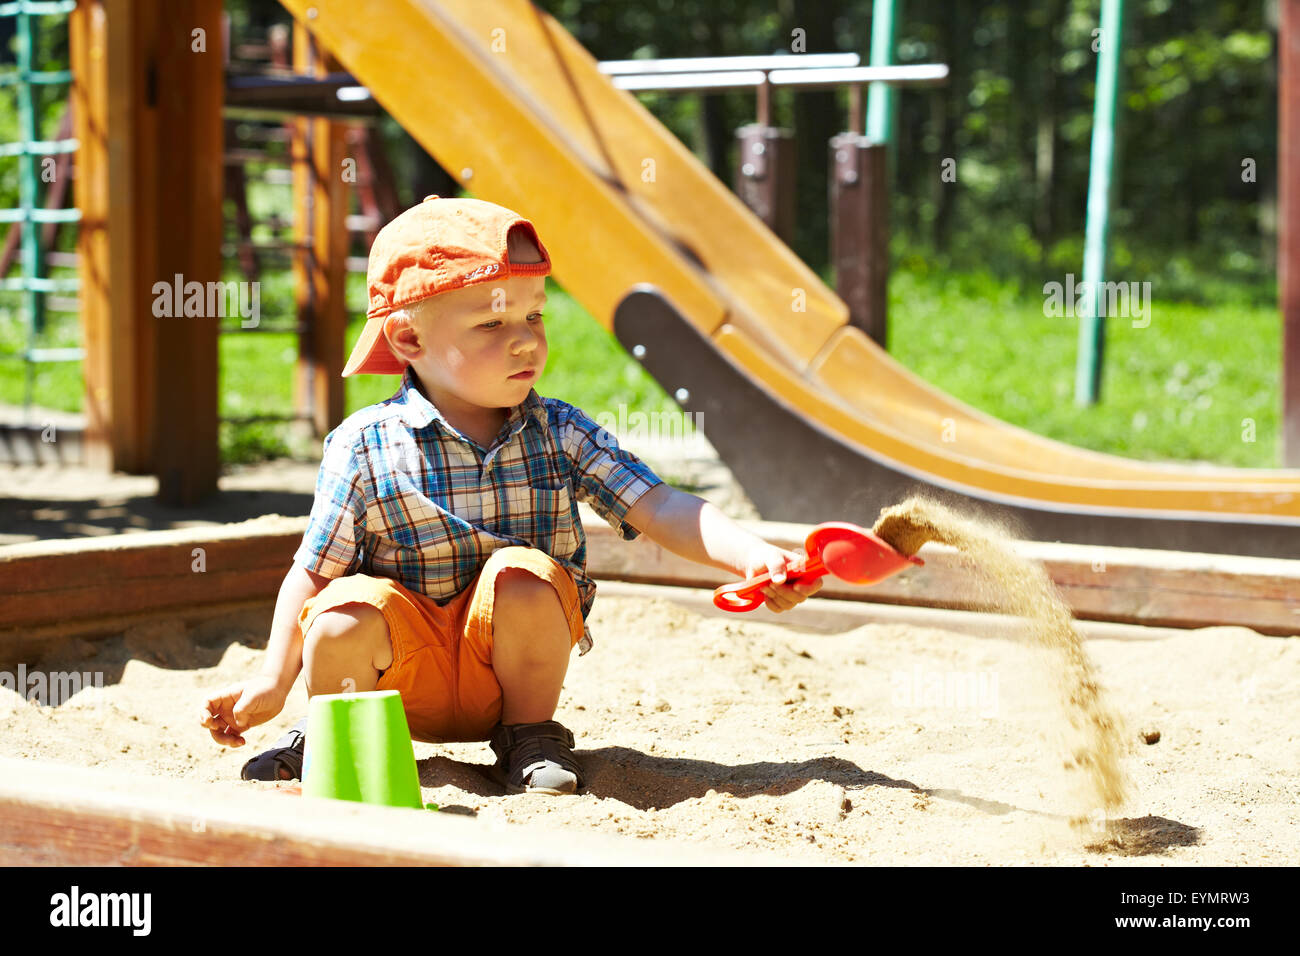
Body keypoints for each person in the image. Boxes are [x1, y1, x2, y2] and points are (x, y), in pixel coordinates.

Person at [200, 196, 822, 795]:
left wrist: (752, 556)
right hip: (394, 680)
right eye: (492, 322)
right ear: (409, 341)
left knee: (522, 575)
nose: (525, 340)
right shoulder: (363, 447)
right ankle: (331, 732)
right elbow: (311, 574)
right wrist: (273, 681)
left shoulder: (559, 431)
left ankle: (532, 738)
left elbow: (659, 504)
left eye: (534, 315)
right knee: (343, 610)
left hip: (503, 677)